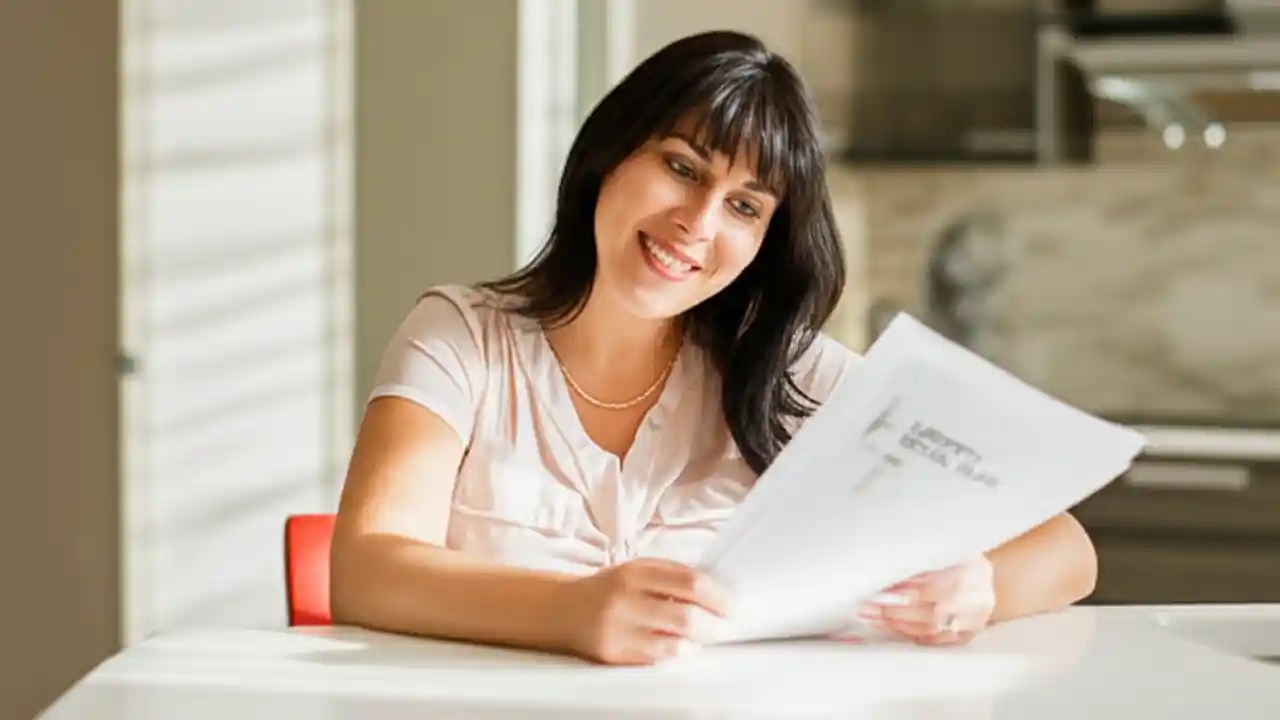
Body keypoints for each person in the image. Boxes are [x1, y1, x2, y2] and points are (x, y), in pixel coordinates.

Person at [330, 30, 1098, 666]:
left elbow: (1066, 547)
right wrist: (569, 611)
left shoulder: (791, 377)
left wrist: (982, 586)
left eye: (743, 205)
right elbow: (366, 569)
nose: (697, 222)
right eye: (680, 167)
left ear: (765, 240)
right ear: (609, 155)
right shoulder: (460, 339)